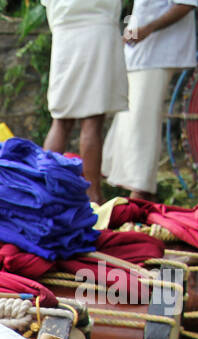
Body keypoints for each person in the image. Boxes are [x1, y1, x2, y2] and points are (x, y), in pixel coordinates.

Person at [102, 0, 196, 199]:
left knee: (142, 124)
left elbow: (186, 5)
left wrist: (147, 29)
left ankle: (140, 194)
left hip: (158, 54)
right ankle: (127, 192)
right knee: (127, 123)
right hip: (138, 54)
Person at [41, 0, 128, 202]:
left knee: (61, 119)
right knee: (92, 119)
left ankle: (43, 190)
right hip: (98, 30)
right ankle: (93, 196)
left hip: (65, 32)